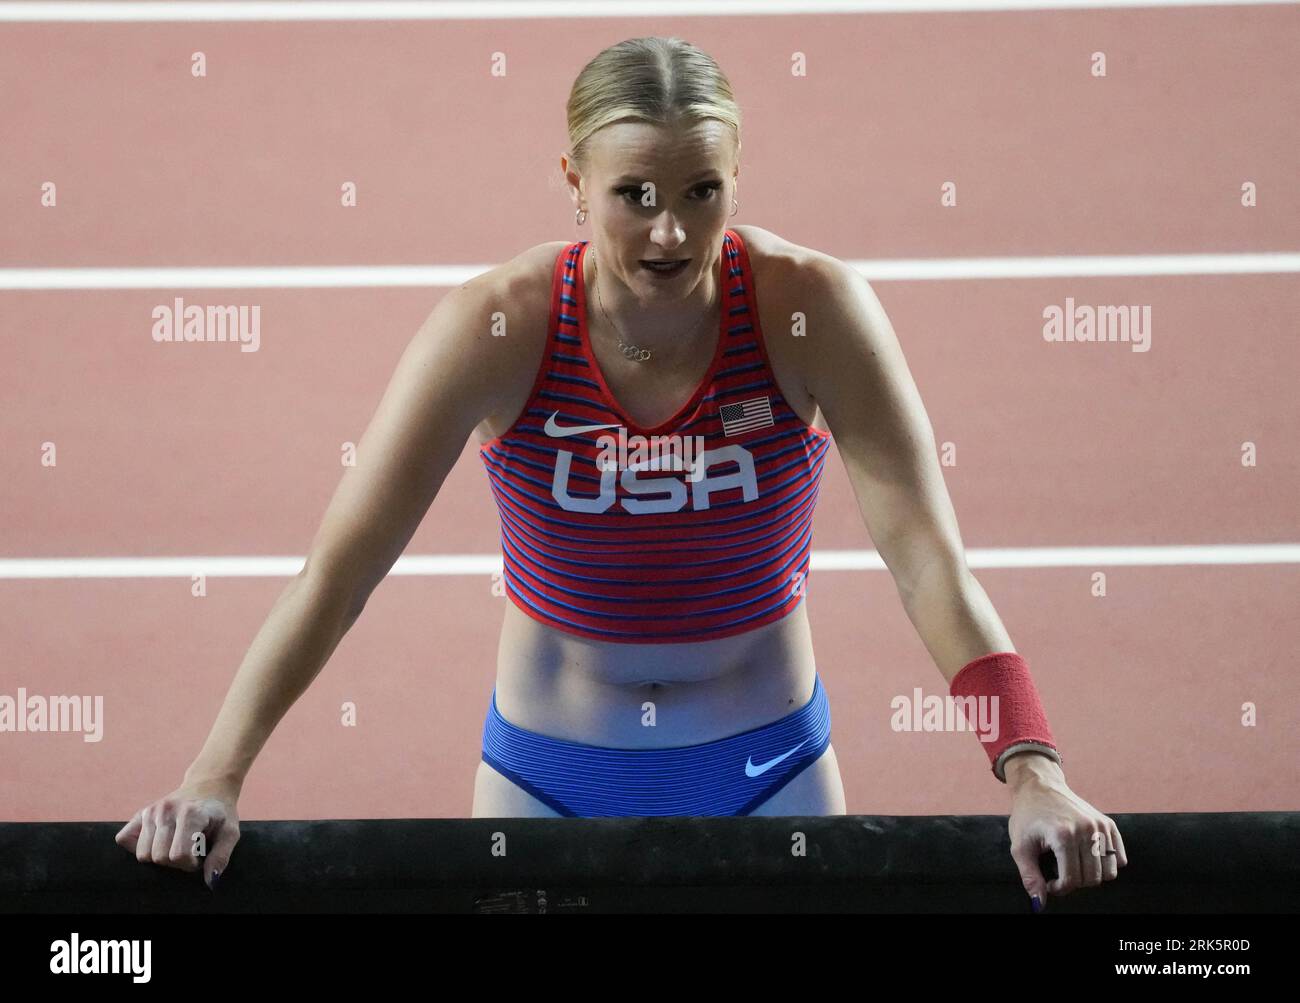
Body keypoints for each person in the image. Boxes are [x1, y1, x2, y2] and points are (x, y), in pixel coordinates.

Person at [117, 36, 1125, 911]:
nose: (670, 232)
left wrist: (1031, 769)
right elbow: (338, 573)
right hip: (544, 777)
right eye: (632, 195)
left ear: (739, 173)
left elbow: (930, 569)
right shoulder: (496, 326)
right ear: (571, 180)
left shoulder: (812, 312)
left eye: (702, 191)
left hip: (767, 770)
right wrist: (216, 776)